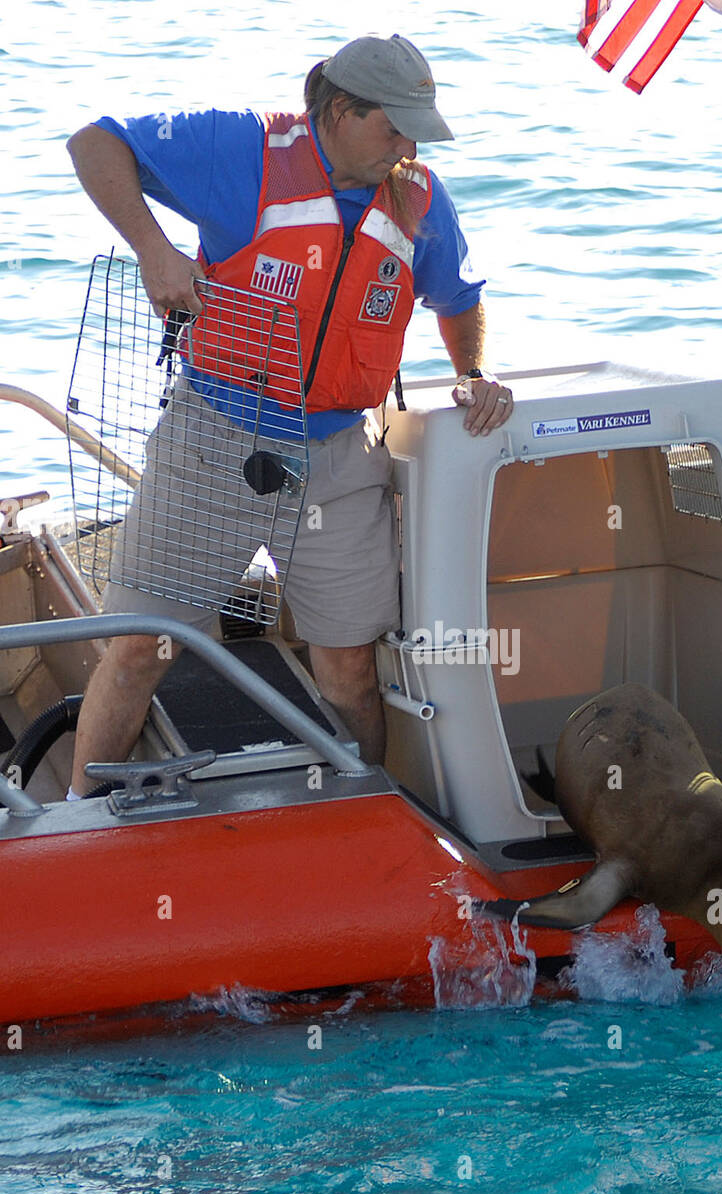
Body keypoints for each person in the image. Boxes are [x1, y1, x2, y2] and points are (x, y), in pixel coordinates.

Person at [65, 33, 514, 786]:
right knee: (141, 647)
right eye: (392, 126)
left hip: (340, 458)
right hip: (213, 441)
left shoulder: (419, 197)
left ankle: (357, 810)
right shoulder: (242, 148)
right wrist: (152, 249)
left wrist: (471, 371)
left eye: (414, 130)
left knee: (349, 674)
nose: (405, 146)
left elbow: (459, 297)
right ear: (337, 109)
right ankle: (78, 817)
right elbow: (94, 143)